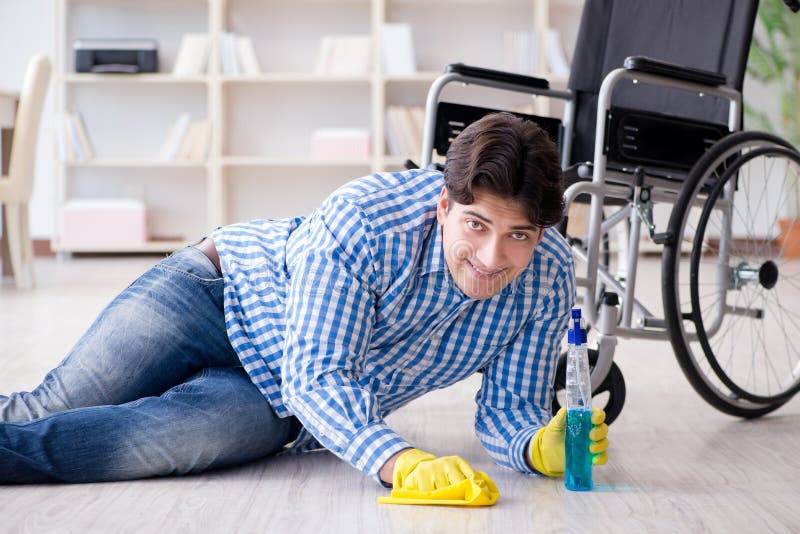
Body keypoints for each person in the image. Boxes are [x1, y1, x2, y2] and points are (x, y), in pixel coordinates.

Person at [0, 112, 608, 496]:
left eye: (519, 236)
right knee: (48, 405)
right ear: (445, 205)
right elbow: (320, 371)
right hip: (214, 292)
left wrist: (535, 444)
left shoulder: (546, 276)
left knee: (143, 444)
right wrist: (397, 460)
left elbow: (508, 407)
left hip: (273, 396)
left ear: (544, 232)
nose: (493, 256)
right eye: (476, 225)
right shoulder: (367, 220)